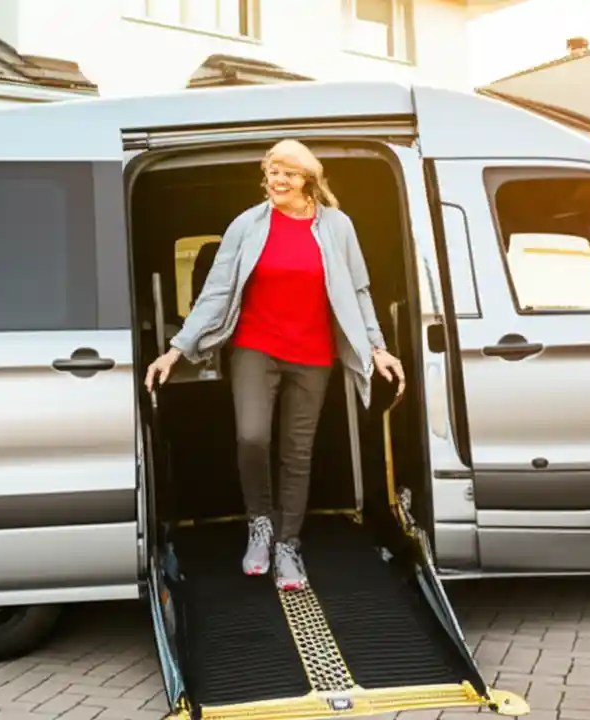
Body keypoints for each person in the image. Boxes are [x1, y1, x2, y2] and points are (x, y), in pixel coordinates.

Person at [145, 139, 405, 591]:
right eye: (272, 171)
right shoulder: (247, 225)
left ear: (308, 179)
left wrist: (377, 347)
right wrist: (177, 348)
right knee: (252, 437)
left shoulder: (337, 227)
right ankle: (259, 523)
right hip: (255, 347)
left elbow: (358, 291)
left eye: (288, 172)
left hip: (312, 353)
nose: (278, 180)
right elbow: (217, 290)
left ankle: (287, 544)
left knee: (296, 452)